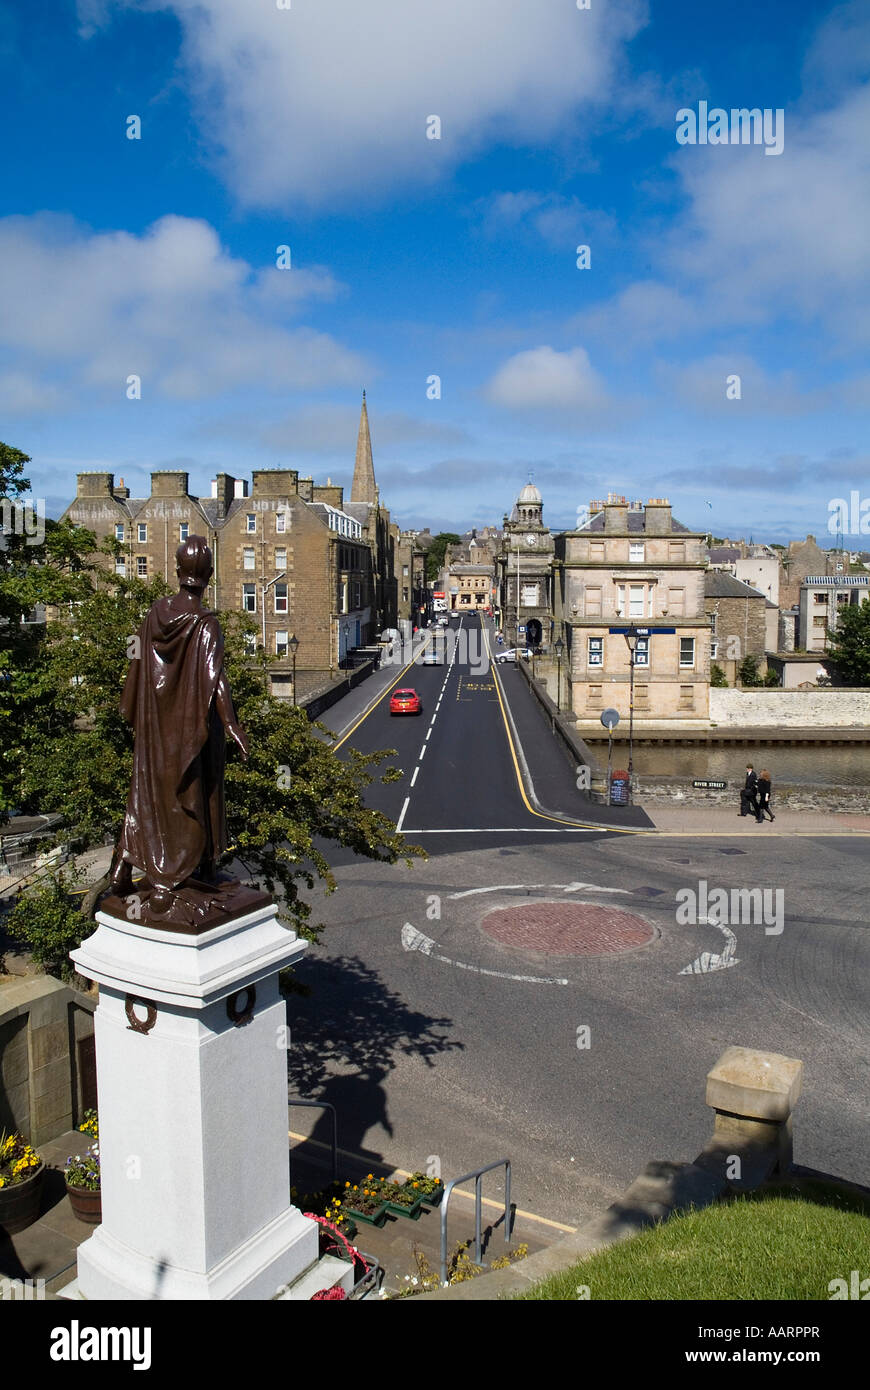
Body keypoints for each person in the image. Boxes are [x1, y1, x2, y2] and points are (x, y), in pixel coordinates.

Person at [110, 536, 248, 912]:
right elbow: (215, 677)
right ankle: (171, 878)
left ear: (177, 572)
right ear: (210, 576)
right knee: (189, 799)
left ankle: (128, 859)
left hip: (155, 728)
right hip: (189, 732)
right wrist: (231, 723)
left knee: (150, 793)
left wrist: (134, 708)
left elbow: (136, 660)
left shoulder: (154, 613)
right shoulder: (206, 624)